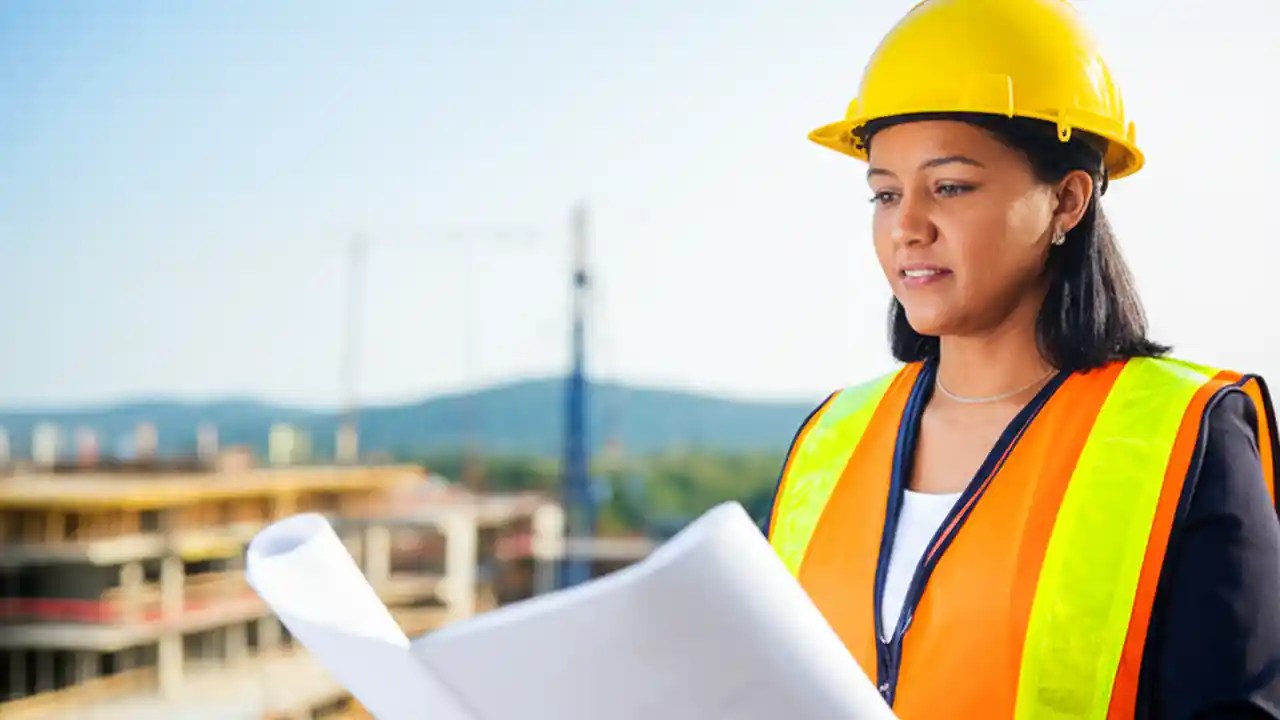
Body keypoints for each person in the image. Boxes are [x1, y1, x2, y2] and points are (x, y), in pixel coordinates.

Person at [763, 1, 1280, 718]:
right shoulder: (831, 439)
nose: (907, 227)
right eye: (885, 193)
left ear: (1067, 200)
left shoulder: (1179, 435)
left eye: (950, 186)